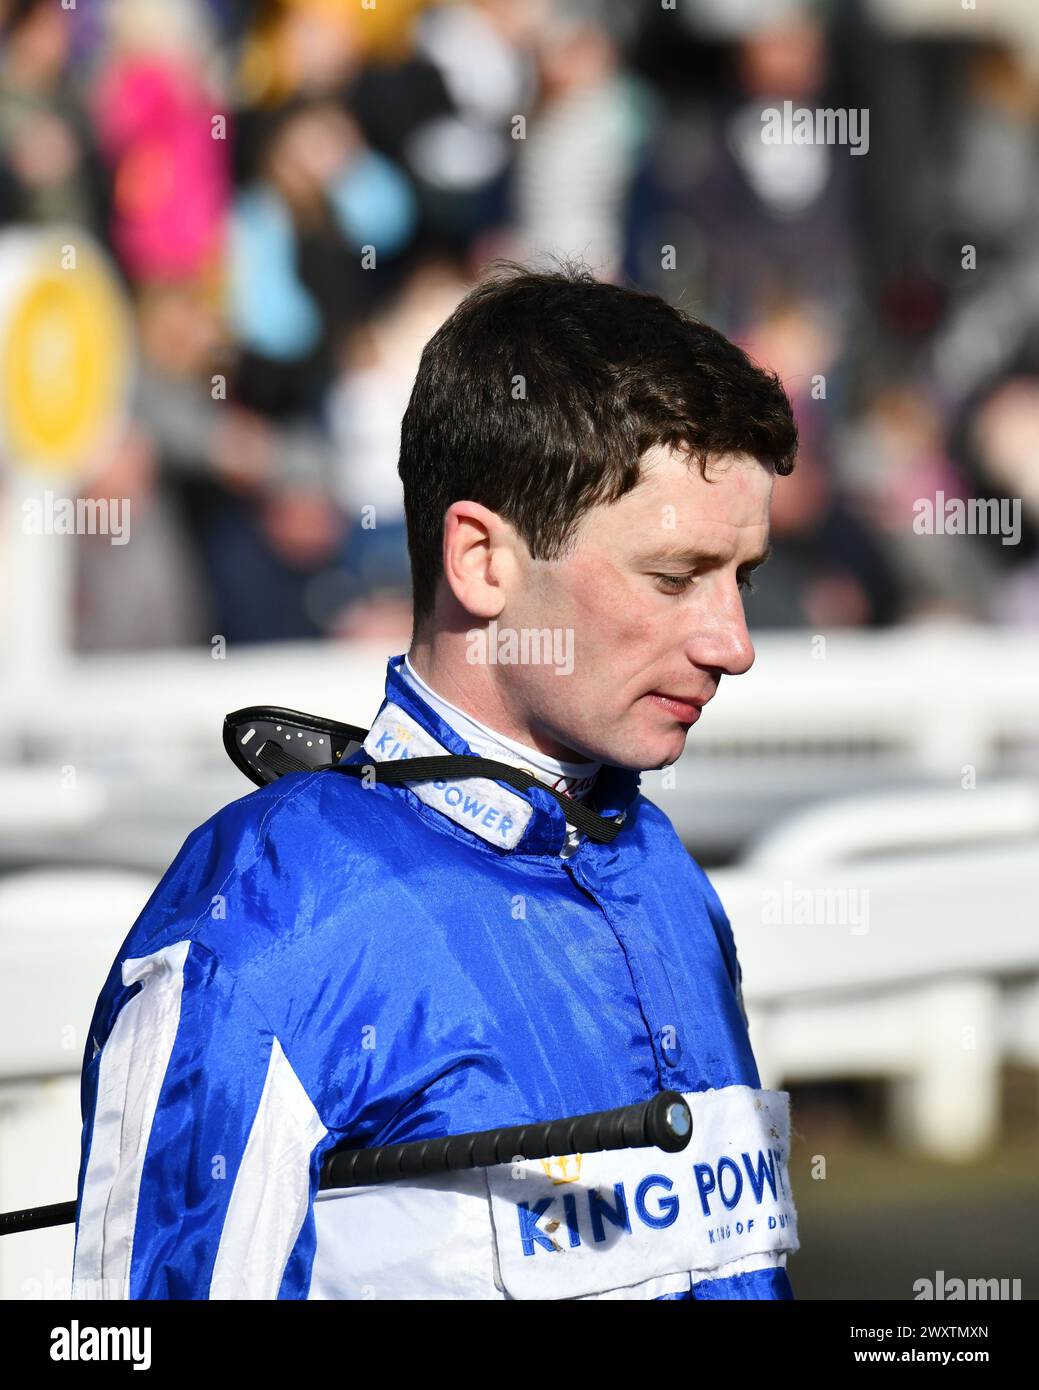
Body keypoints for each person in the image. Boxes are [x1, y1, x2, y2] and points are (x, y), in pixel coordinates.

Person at [72, 260, 800, 1301]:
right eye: (676, 576)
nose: (732, 643)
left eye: (745, 578)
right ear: (481, 560)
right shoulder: (276, 916)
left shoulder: (661, 867)